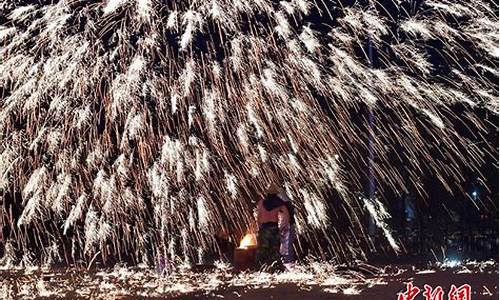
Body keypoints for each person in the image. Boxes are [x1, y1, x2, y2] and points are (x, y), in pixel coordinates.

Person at [255, 184, 289, 268]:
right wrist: (282, 227)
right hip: (274, 228)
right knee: (275, 250)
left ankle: (259, 267)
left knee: (262, 250)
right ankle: (276, 268)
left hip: (264, 228)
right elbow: (286, 216)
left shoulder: (261, 202)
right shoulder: (279, 203)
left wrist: (259, 228)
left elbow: (258, 217)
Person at [277, 187, 296, 265]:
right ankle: (288, 263)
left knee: (286, 247)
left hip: (287, 228)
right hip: (289, 227)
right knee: (286, 247)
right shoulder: (288, 204)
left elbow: (285, 218)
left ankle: (289, 264)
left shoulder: (283, 206)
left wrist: (280, 228)